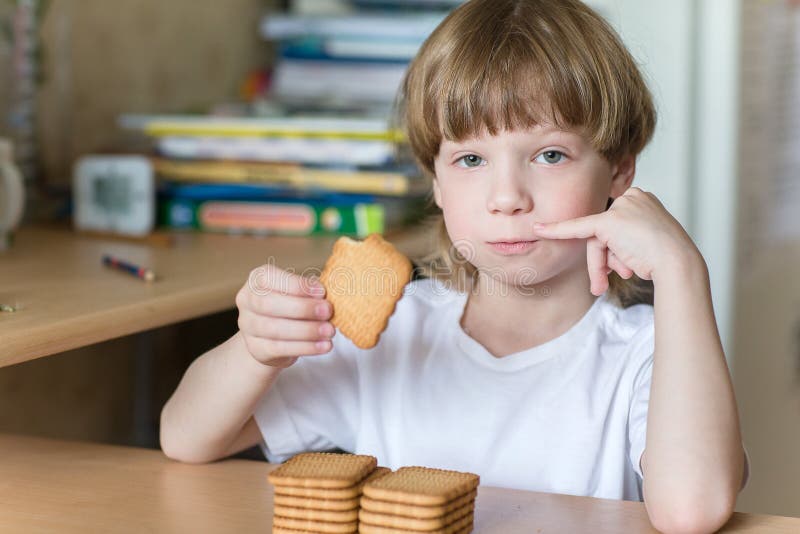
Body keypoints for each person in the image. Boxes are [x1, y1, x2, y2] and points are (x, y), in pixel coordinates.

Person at [160, 0, 746, 531]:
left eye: (549, 154)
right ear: (435, 181)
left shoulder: (648, 353)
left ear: (619, 170)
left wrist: (683, 276)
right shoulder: (391, 332)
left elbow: (692, 511)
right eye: (470, 158)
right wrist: (255, 349)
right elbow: (185, 438)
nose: (506, 196)